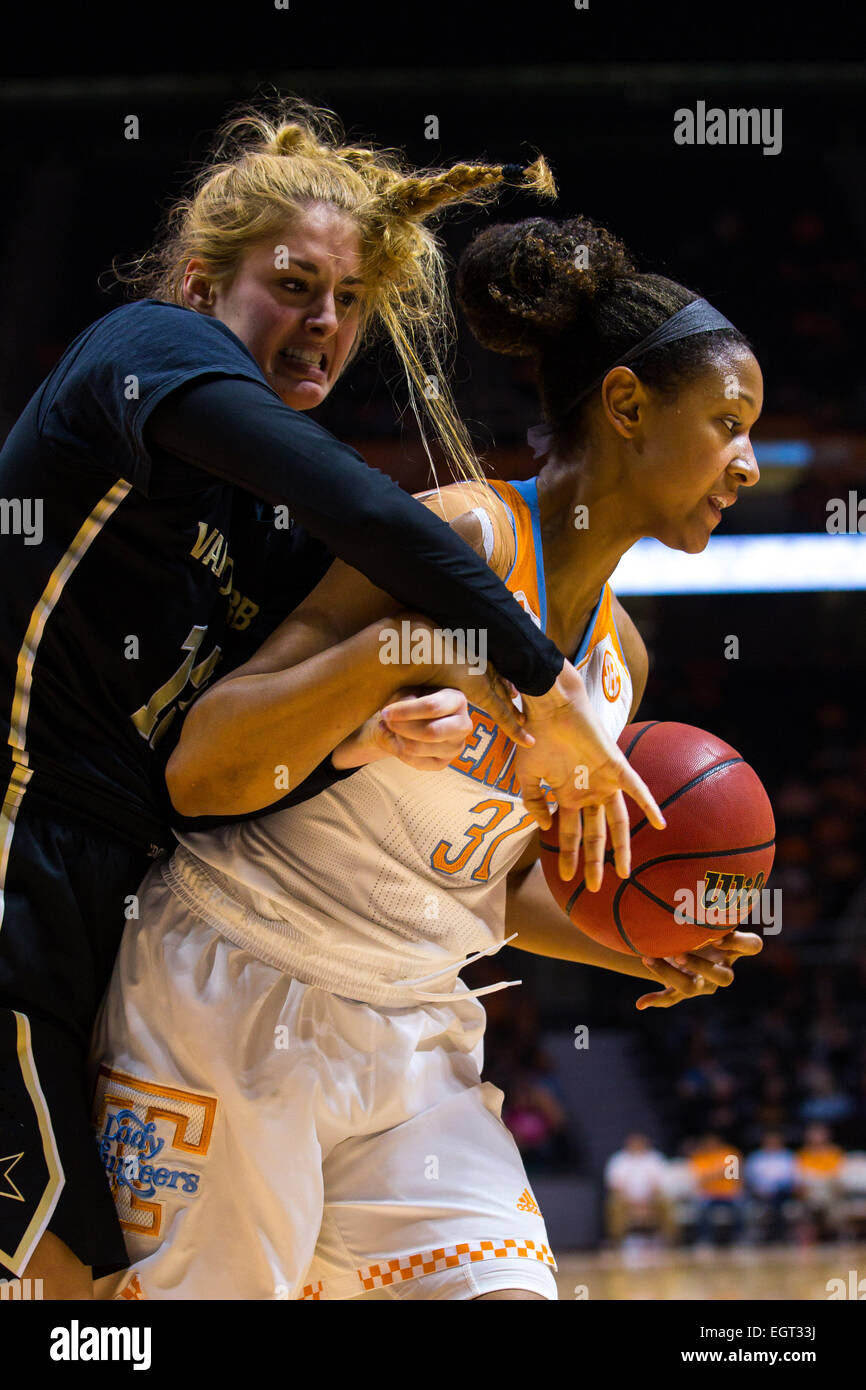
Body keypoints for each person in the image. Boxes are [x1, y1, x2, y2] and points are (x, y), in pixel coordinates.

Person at [0, 101, 663, 1299]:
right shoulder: (143, 349)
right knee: (53, 1260)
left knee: (99, 1281)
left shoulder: (260, 526)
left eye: (349, 302)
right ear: (206, 282)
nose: (322, 324)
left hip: (139, 876)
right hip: (16, 830)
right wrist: (537, 680)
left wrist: (361, 729)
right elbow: (366, 510)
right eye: (293, 284)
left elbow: (254, 741)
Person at [92, 212, 765, 1300]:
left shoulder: (616, 665)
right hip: (233, 990)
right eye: (727, 421)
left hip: (414, 1030)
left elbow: (489, 893)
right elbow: (205, 765)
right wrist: (426, 657)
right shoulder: (465, 537)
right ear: (628, 406)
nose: (744, 461)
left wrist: (640, 944)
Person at [604, 1133, 674, 1245]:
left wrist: (647, 1201)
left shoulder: (655, 1158)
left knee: (668, 1202)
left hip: (652, 1199)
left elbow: (660, 1184)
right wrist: (633, 1202)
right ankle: (616, 1242)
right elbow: (615, 1186)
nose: (636, 1145)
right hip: (626, 1199)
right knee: (614, 1204)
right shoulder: (619, 1160)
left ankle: (670, 1241)